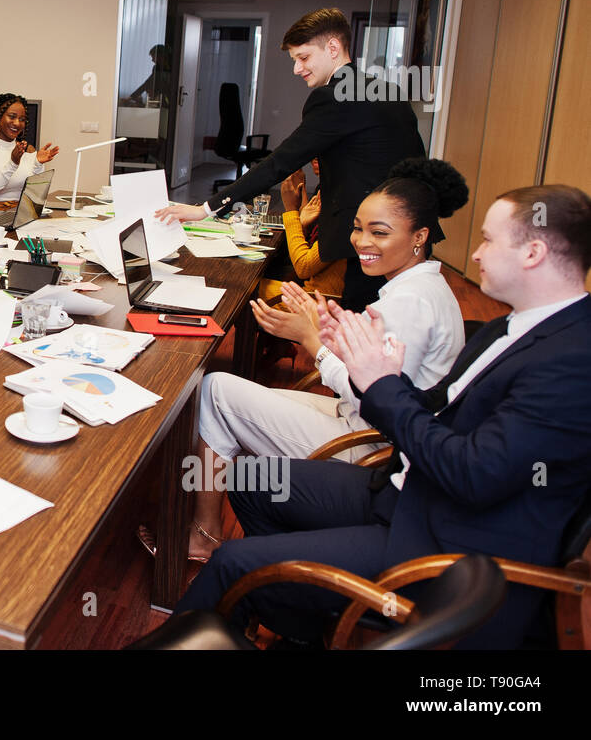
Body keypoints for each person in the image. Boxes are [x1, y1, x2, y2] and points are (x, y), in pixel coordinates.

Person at [175, 184, 591, 649]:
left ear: (533, 253)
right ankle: (301, 618)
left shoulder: (570, 363)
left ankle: (279, 592)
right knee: (249, 479)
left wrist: (380, 383)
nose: (476, 254)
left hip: (440, 543)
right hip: (406, 489)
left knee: (232, 563)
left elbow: (474, 475)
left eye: (490, 241)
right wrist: (368, 365)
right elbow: (437, 408)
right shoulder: (514, 326)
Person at [184, 158, 469, 561]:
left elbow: (376, 399)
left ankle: (209, 535)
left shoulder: (409, 302)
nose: (362, 242)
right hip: (364, 425)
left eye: (379, 232)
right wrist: (326, 328)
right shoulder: (422, 286)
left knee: (215, 391)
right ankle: (228, 528)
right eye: (358, 228)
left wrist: (312, 341)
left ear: (419, 236)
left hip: (369, 445)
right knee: (223, 398)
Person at [155, 8, 425, 311]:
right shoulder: (388, 90)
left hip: (368, 239)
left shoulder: (332, 97)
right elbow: (416, 162)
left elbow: (280, 162)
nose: (297, 69)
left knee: (359, 325)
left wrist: (205, 209)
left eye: (304, 58)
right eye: (295, 60)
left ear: (333, 48)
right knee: (396, 316)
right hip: (409, 232)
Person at [258, 159, 345, 301]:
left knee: (246, 287)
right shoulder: (330, 192)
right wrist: (303, 225)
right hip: (309, 288)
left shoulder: (345, 212)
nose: (314, 159)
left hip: (317, 301)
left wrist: (290, 210)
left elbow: (303, 267)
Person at [0, 92, 60, 201]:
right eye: (12, 117)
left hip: (22, 210)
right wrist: (13, 164)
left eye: (22, 119)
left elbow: (37, 194)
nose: (17, 123)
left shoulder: (28, 150)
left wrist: (38, 164)